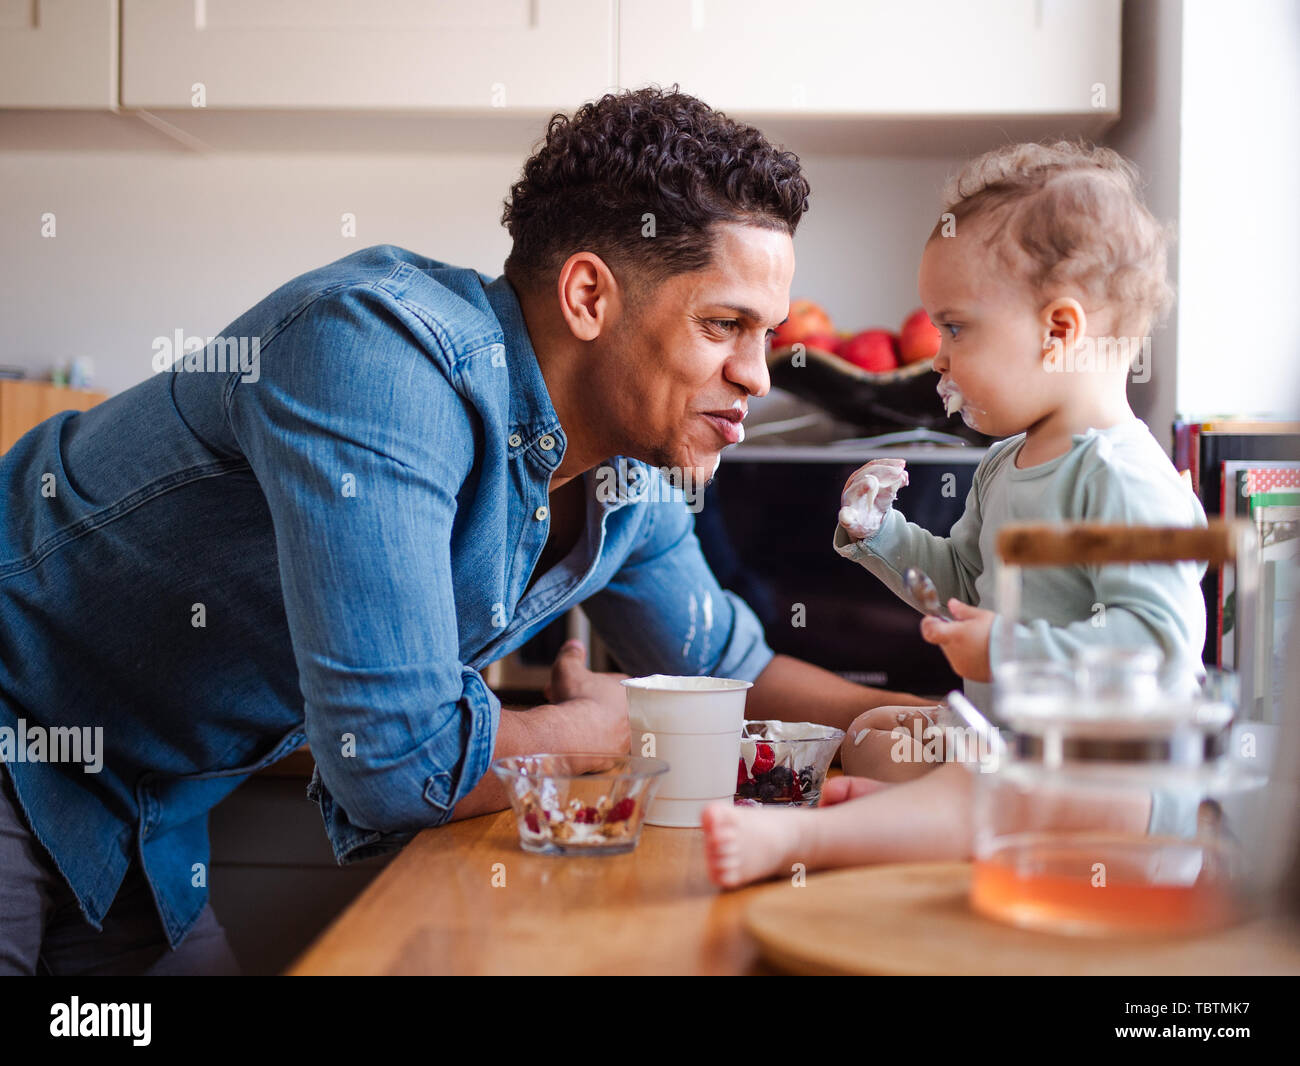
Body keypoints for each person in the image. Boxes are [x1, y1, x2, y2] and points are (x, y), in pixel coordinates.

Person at [0, 87, 930, 975]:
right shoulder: (377, 355)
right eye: (725, 324)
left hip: (144, 810)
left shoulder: (633, 483)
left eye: (764, 333)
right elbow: (397, 760)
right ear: (588, 297)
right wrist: (602, 733)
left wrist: (950, 738)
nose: (759, 377)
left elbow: (733, 671)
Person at [703, 141, 1208, 889]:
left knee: (988, 786)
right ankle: (931, 821)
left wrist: (1009, 649)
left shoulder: (1125, 480)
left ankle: (816, 837)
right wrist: (883, 534)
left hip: (1120, 779)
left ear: (1060, 331)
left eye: (958, 328)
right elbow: (959, 582)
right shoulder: (1006, 464)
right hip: (1010, 744)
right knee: (878, 734)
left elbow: (1158, 645)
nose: (937, 357)